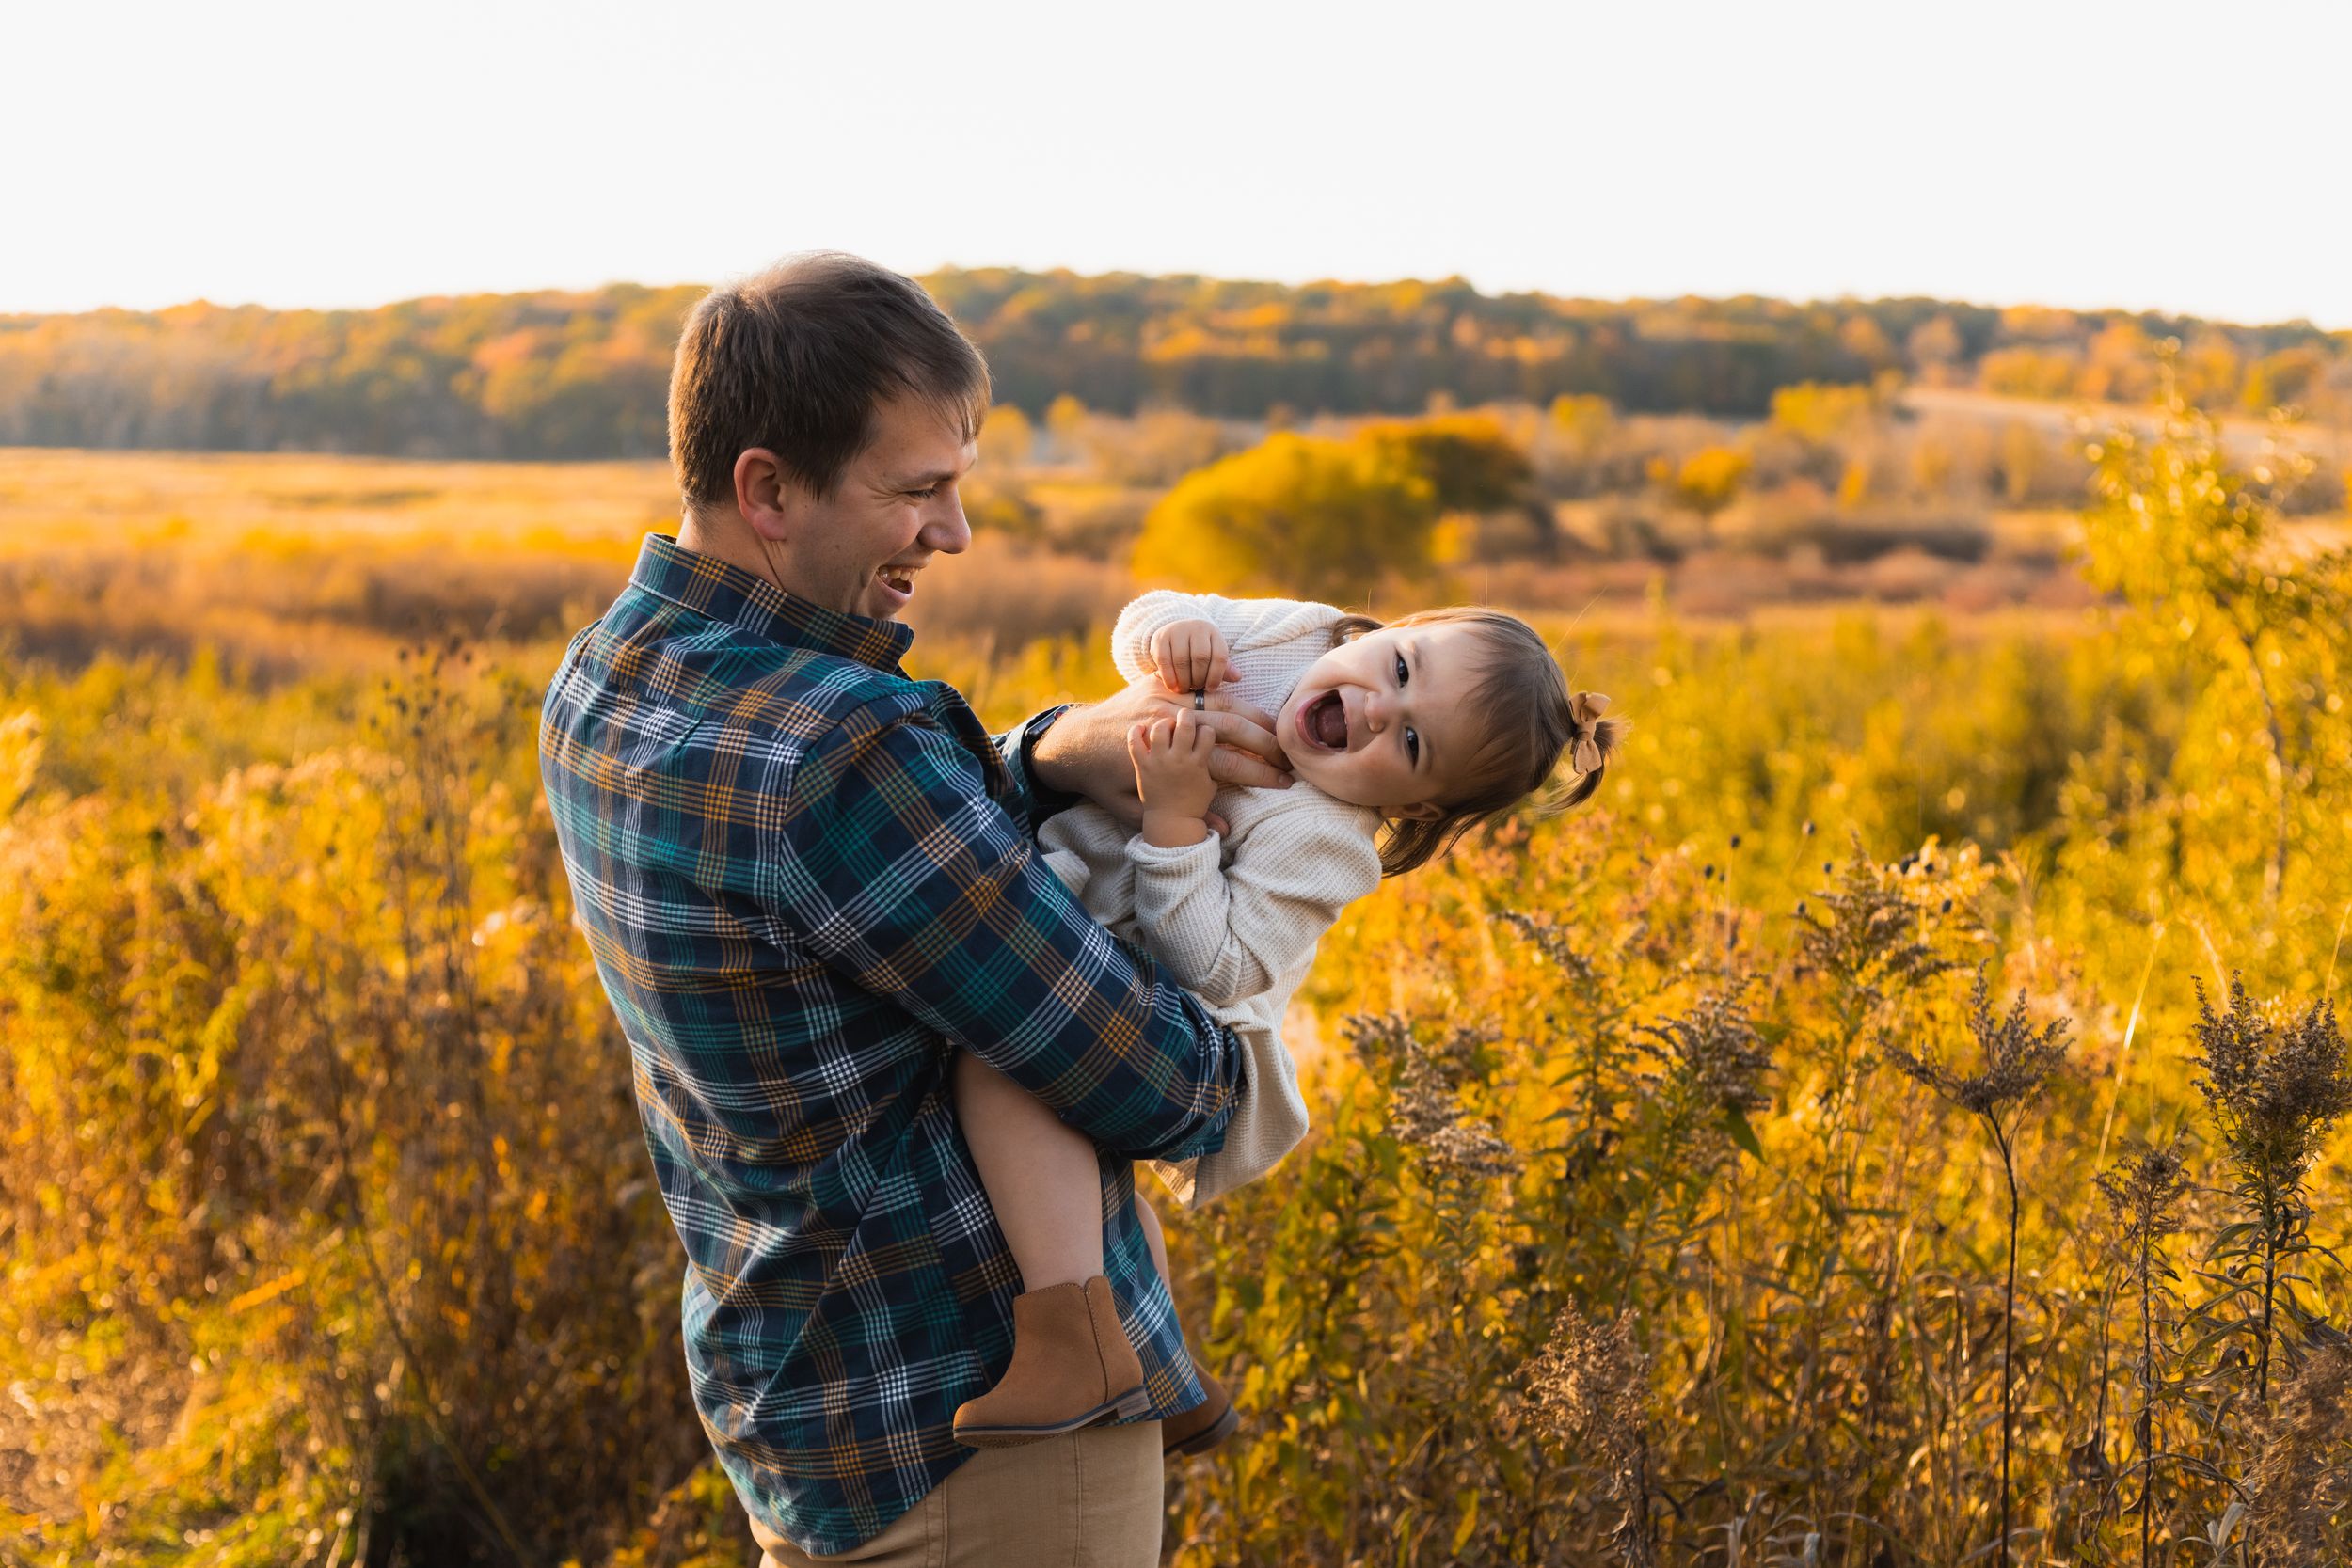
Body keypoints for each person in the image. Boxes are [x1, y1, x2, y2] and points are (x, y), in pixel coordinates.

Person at [539, 253, 1294, 1567]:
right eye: (917, 490)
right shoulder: (844, 748)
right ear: (768, 488)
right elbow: (1164, 1089)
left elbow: (832, 862)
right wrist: (1239, 963)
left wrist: (1053, 753)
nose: (951, 533)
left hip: (807, 1388)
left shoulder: (613, 676)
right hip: (978, 1429)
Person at [948, 590, 1624, 1449]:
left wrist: (1177, 821)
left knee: (999, 1061)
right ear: (1394, 630)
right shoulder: (1301, 634)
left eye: (1412, 743)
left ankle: (1069, 1337)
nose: (1377, 708)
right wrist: (1174, 638)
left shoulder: (1327, 834)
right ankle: (1168, 1370)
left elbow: (1220, 967)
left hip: (1169, 1011)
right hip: (1079, 914)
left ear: (1413, 809)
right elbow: (1142, 623)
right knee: (1089, 1180)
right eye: (1401, 669)